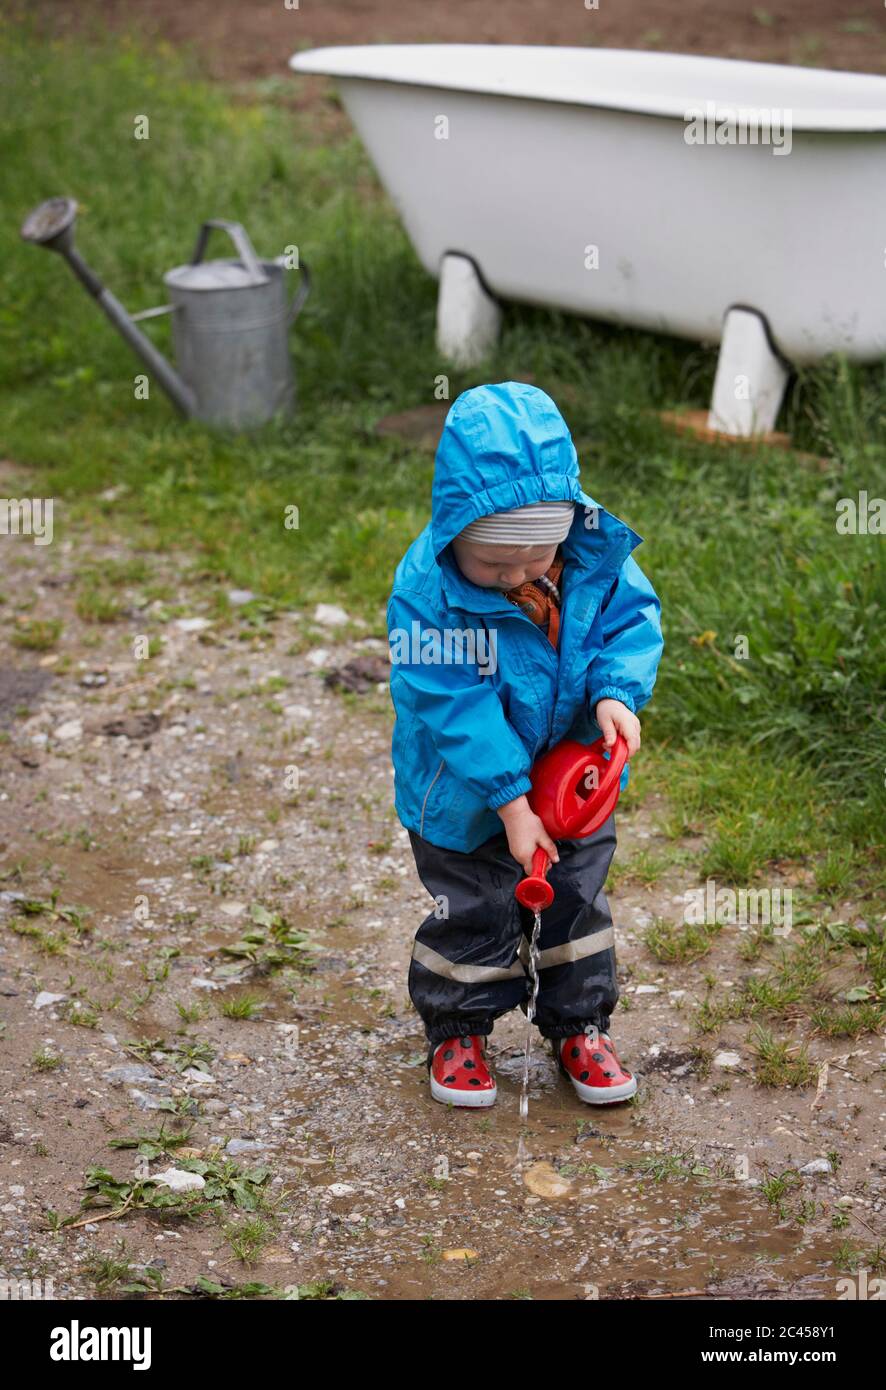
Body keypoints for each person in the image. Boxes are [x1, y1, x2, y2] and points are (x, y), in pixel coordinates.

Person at [386, 382, 663, 1107]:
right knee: (473, 907)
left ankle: (580, 1025)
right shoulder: (427, 593)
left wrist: (614, 692)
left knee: (575, 898)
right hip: (467, 795)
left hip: (570, 783)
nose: (517, 577)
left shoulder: (591, 560)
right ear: (454, 534)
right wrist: (510, 803)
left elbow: (629, 623)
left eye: (533, 558)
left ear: (566, 527)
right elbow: (452, 705)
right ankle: (458, 1032)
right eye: (493, 566)